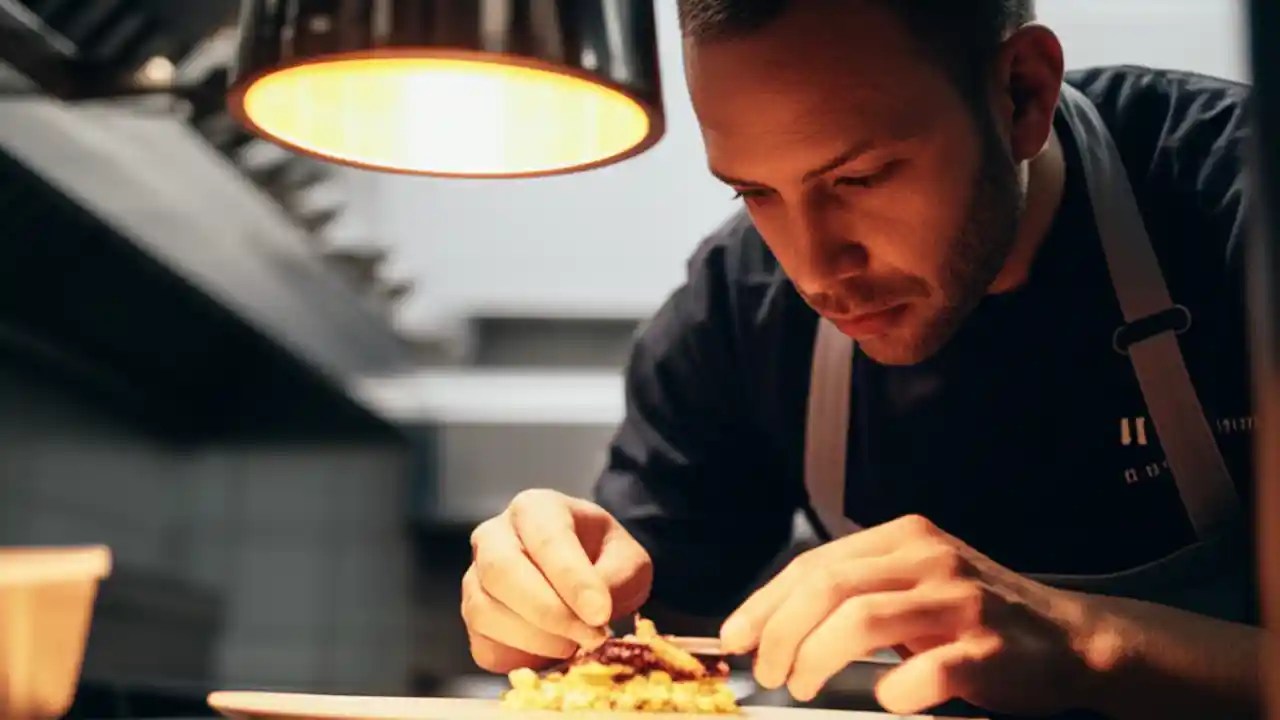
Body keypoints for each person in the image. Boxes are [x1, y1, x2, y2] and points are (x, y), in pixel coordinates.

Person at [460, 1, 1262, 718]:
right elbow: (635, 634)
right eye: (755, 192)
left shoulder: (1243, 202)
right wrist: (543, 601)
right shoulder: (743, 308)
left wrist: (1086, 646)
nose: (815, 270)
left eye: (860, 177)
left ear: (1022, 94)